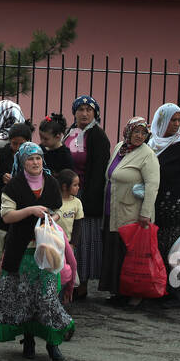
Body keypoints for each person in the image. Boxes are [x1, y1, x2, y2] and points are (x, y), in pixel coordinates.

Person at [0, 143, 75, 361]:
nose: (35, 163)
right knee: (24, 298)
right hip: (21, 250)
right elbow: (7, 216)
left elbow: (57, 211)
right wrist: (31, 211)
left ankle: (53, 343)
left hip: (46, 251)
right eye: (30, 159)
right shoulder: (14, 186)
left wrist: (49, 220)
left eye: (38, 158)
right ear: (22, 162)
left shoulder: (52, 183)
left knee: (47, 297)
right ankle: (28, 339)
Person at [101, 117, 160, 306]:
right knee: (114, 250)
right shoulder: (120, 147)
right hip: (113, 208)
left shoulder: (147, 155)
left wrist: (146, 212)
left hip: (132, 212)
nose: (139, 136)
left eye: (143, 133)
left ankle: (132, 293)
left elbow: (152, 185)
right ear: (128, 132)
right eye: (136, 132)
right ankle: (116, 291)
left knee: (129, 253)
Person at [147, 103, 180, 309]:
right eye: (172, 120)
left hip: (178, 205)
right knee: (160, 246)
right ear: (161, 120)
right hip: (158, 204)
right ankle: (162, 288)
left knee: (176, 249)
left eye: (179, 120)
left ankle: (179, 294)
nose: (176, 124)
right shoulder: (152, 143)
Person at [64, 95, 111, 299]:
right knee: (68, 237)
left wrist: (88, 200)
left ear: (95, 113)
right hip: (67, 193)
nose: (84, 114)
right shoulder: (71, 133)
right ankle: (68, 280)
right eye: (80, 109)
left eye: (88, 110)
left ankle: (81, 284)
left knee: (83, 240)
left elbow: (99, 170)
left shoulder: (97, 136)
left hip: (86, 195)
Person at [0, 121, 33, 226]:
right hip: (3, 202)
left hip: (25, 203)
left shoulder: (34, 157)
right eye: (15, 143)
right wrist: (2, 178)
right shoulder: (1, 154)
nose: (18, 147)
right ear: (9, 141)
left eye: (21, 144)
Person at [54, 169, 83, 241]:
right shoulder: (53, 201)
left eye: (78, 185)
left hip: (68, 243)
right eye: (75, 185)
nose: (78, 187)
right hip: (53, 242)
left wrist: (73, 244)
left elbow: (77, 226)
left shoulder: (77, 202)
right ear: (64, 186)